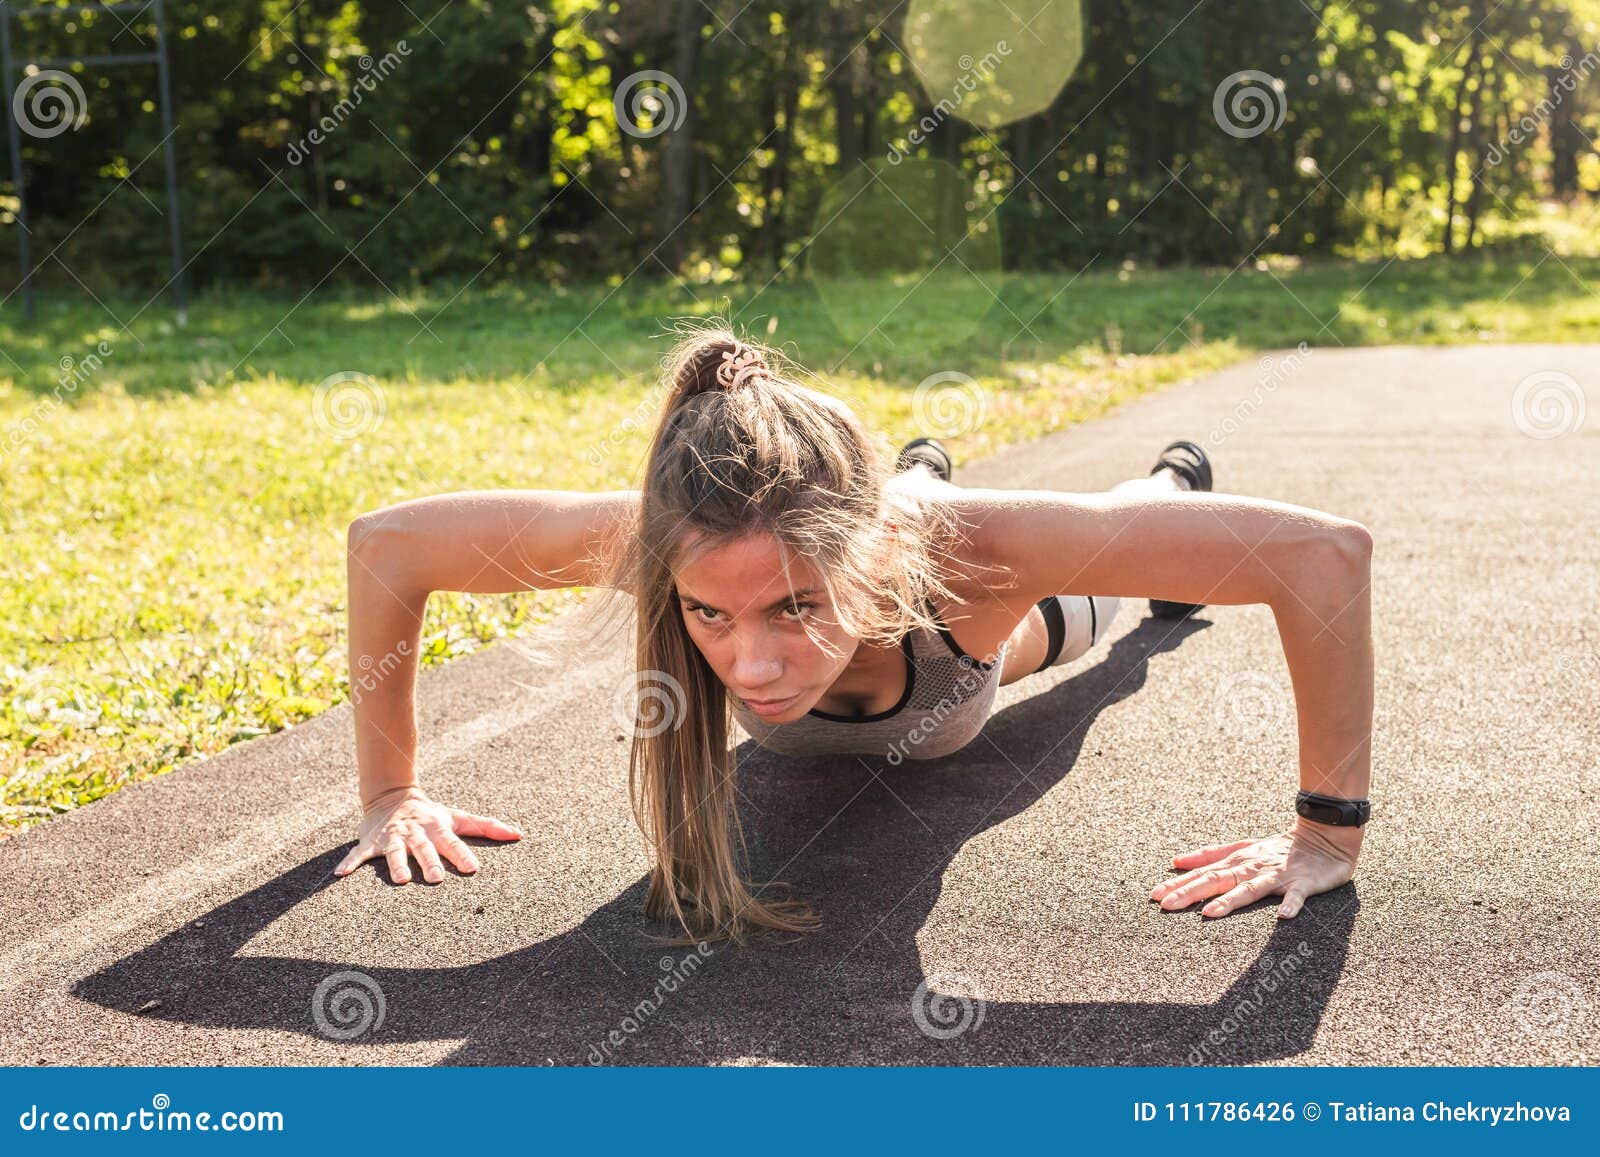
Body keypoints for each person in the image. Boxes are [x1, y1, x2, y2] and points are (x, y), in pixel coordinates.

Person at [334, 324, 1374, 947]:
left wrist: (1326, 832)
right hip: (880, 531)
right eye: (709, 613)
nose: (750, 665)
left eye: (794, 607)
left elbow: (1324, 556)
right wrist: (390, 793)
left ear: (869, 565)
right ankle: (914, 466)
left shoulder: (982, 557)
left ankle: (1154, 476)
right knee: (905, 505)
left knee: (1095, 639)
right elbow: (386, 545)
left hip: (978, 661)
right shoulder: (654, 537)